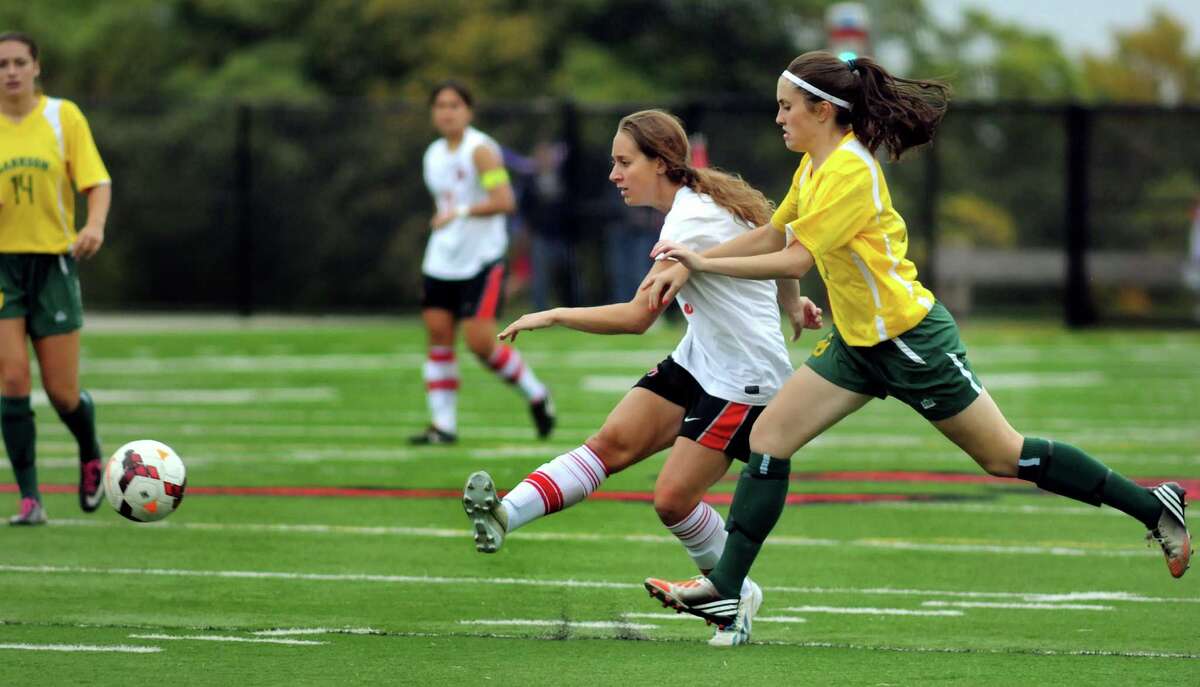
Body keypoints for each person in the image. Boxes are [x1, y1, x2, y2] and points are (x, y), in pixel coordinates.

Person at [640, 51, 1192, 632]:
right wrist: (692, 262)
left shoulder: (850, 171)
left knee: (1004, 455)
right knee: (770, 437)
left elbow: (796, 256)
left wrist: (698, 260)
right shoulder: (814, 165)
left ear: (822, 111)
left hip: (909, 342)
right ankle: (727, 587)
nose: (778, 118)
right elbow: (774, 232)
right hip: (859, 345)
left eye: (786, 107)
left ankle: (1153, 505)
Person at [461, 110, 823, 646]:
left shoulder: (687, 222)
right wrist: (792, 305)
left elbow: (637, 318)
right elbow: (778, 239)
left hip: (742, 379)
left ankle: (735, 594)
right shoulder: (698, 203)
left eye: (624, 162)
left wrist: (555, 313)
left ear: (661, 163)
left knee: (672, 501)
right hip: (701, 359)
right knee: (609, 444)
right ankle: (504, 514)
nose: (614, 174)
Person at [0, 32, 109, 525]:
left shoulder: (62, 117)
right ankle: (29, 497)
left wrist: (93, 225)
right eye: (2, 65)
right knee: (13, 377)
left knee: (63, 393)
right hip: (3, 266)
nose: (10, 72)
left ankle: (89, 449)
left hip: (53, 264)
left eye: (19, 62)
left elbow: (96, 181)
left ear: (36, 67)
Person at [411, 80, 555, 445]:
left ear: (469, 111)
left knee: (479, 343)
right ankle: (443, 426)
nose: (447, 112)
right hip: (441, 261)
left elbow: (505, 200)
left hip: (481, 261)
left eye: (455, 105)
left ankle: (536, 394)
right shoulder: (433, 154)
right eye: (440, 105)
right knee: (439, 340)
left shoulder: (481, 150)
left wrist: (460, 212)